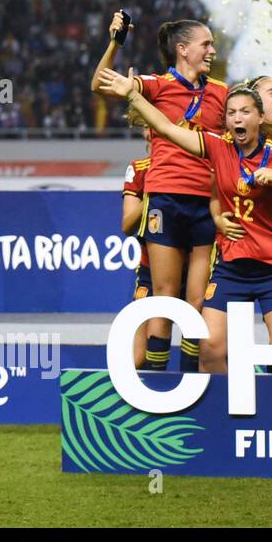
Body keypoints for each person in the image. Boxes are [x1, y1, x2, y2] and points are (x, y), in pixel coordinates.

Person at [98, 73, 272, 373]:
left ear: (260, 118)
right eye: (231, 113)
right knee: (210, 349)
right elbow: (167, 127)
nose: (238, 119)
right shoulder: (218, 147)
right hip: (230, 267)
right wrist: (132, 96)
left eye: (245, 112)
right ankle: (220, 420)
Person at [91, 14, 226, 373]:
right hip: (165, 198)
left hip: (206, 203)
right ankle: (155, 380)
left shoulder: (222, 93)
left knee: (196, 302)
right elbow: (99, 84)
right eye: (206, 44)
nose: (212, 50)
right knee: (165, 296)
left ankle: (191, 383)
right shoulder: (157, 85)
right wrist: (116, 44)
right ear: (183, 49)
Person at [120, 124, 153, 369]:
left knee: (204, 351)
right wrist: (155, 192)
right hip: (151, 270)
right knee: (139, 358)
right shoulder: (139, 169)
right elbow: (127, 225)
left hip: (196, 269)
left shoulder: (199, 166)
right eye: (145, 127)